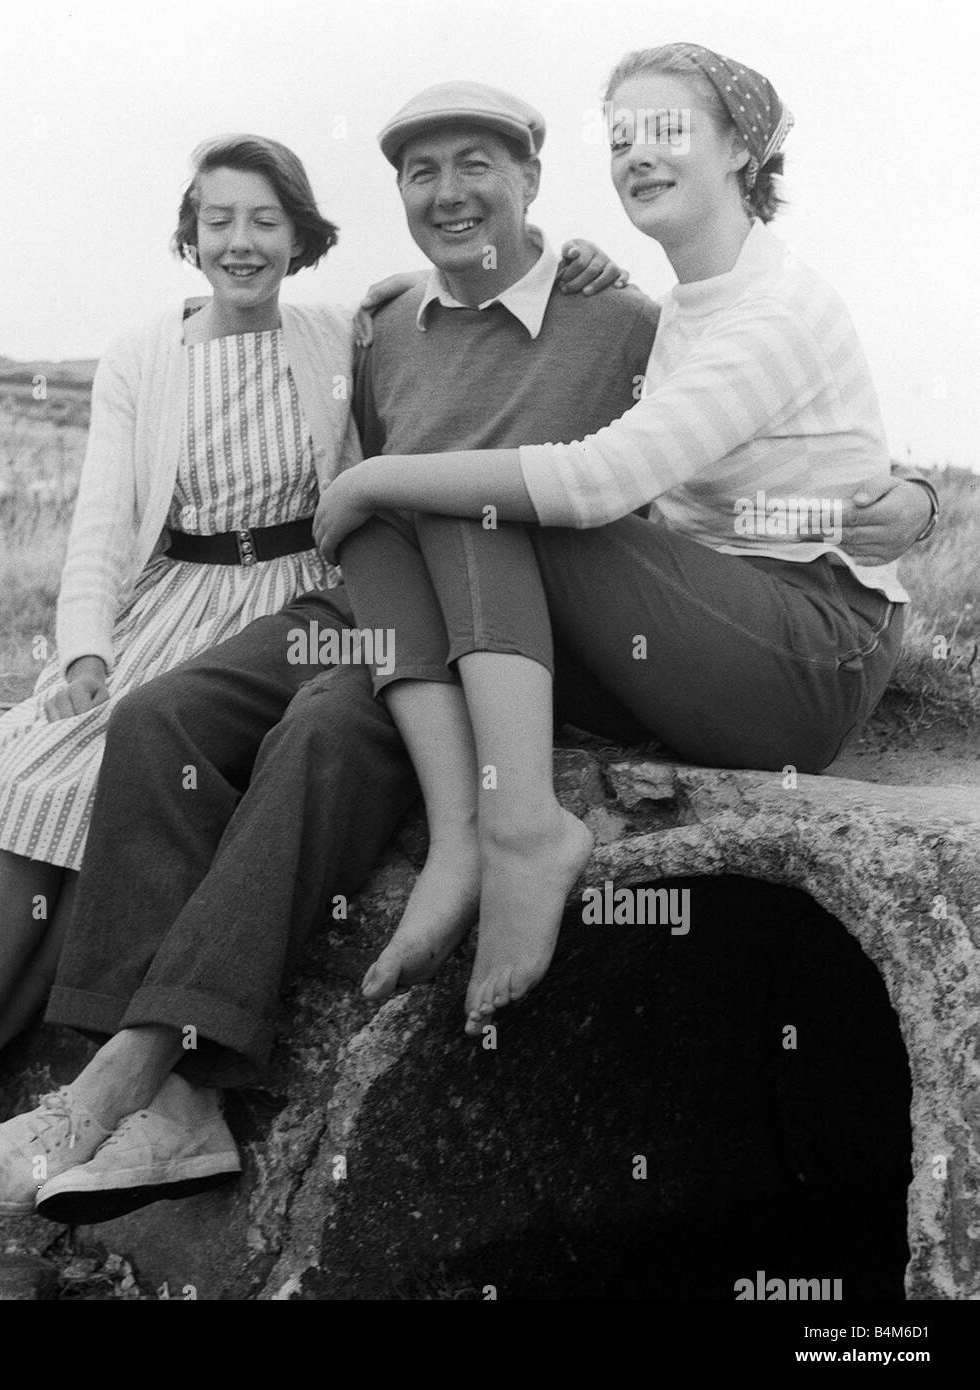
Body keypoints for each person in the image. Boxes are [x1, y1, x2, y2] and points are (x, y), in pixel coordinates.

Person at [0, 80, 935, 1223]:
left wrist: (905, 498)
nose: (450, 192)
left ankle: (153, 1076)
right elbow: (368, 516)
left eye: (478, 165)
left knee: (323, 730)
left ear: (531, 181)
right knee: (163, 715)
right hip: (374, 598)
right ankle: (142, 1087)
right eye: (422, 171)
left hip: (507, 643)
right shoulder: (384, 328)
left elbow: (733, 464)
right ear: (398, 193)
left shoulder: (625, 322)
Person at [0, 128, 625, 1185]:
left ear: (299, 236)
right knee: (78, 760)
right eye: (220, 221)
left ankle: (1, 1069)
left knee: (177, 761)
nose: (242, 241)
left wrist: (572, 253)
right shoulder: (143, 353)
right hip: (186, 598)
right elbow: (101, 522)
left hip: (312, 584)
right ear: (190, 234)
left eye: (266, 220)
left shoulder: (333, 331)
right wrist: (83, 642)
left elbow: (442, 281)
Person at [314, 44, 930, 1037]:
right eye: (622, 137)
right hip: (701, 638)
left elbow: (598, 480)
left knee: (449, 492)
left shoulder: (773, 307)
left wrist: (371, 472)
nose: (637, 154)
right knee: (398, 522)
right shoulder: (681, 304)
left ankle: (524, 831)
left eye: (668, 130)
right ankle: (464, 835)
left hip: (807, 654)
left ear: (742, 148)